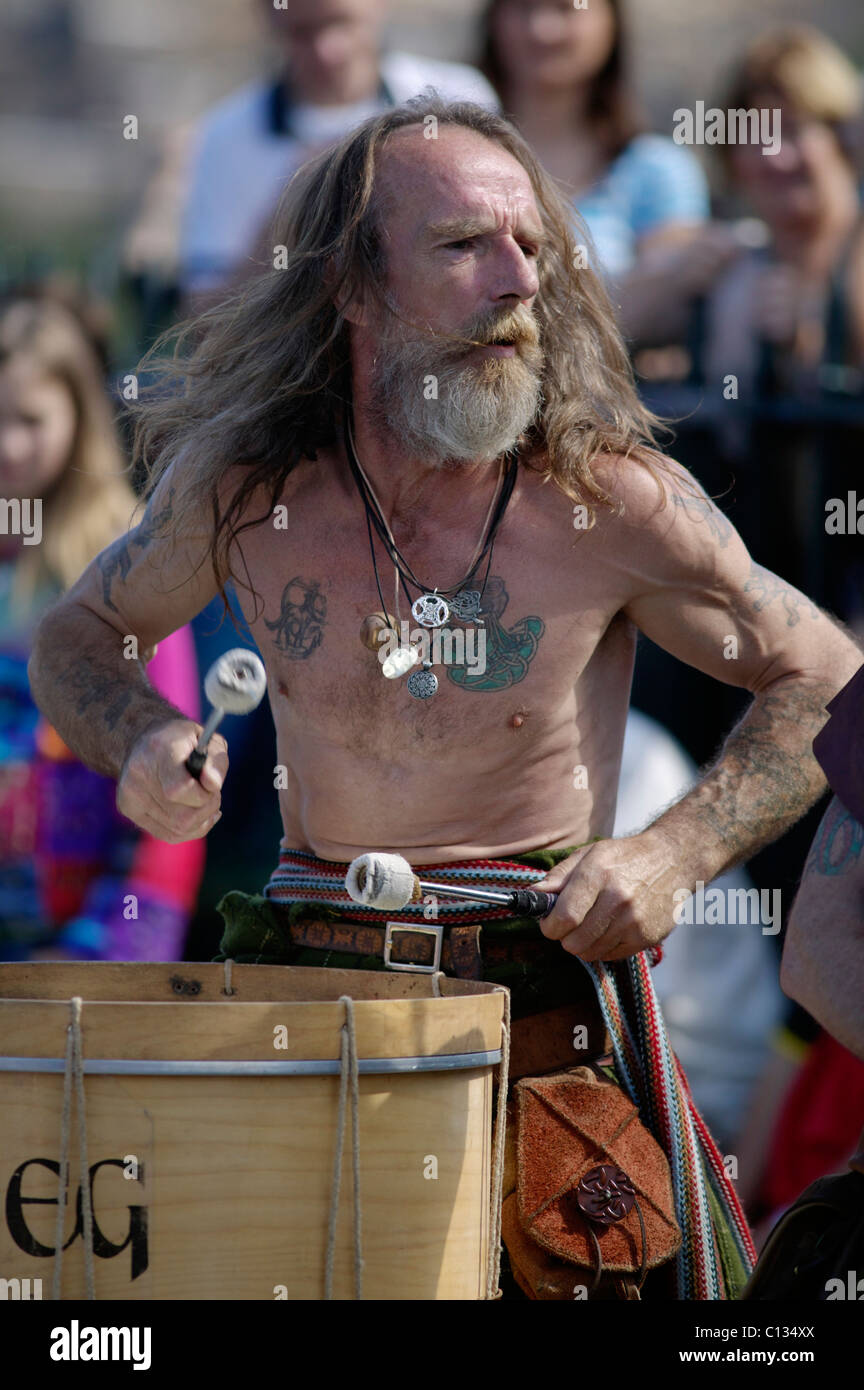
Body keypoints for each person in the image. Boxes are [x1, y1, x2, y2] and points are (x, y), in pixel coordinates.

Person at [28, 97, 863, 1296]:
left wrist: (674, 856)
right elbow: (81, 632)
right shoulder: (248, 490)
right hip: (310, 991)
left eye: (531, 244)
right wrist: (143, 738)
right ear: (352, 287)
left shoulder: (609, 498)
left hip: (543, 1008)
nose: (519, 279)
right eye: (466, 245)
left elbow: (825, 672)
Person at [0, 291, 203, 961]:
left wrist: (114, 947)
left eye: (29, 419)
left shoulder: (125, 562)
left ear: (78, 417)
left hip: (87, 949)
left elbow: (169, 758)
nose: (7, 444)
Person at [178, 0, 497, 302]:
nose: (326, 51)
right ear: (268, 17)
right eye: (301, 31)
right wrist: (292, 212)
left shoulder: (459, 97)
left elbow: (497, 246)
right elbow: (203, 319)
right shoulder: (226, 136)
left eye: (340, 23)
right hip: (295, 355)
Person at [477, 0, 738, 345]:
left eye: (567, 8)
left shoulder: (658, 169)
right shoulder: (453, 161)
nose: (542, 28)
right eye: (523, 7)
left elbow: (672, 307)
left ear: (611, 21)